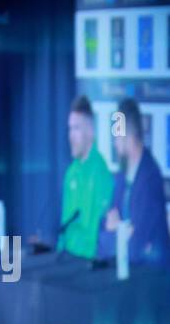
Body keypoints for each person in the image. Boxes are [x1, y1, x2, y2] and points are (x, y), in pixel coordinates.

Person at [99, 97, 170, 266]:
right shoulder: (121, 177)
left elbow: (136, 248)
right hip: (127, 274)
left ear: (128, 137)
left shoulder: (150, 178)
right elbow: (102, 236)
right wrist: (121, 230)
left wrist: (116, 230)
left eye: (116, 137)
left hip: (152, 278)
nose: (114, 143)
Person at [57, 95, 114, 260]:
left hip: (87, 264)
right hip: (66, 259)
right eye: (69, 129)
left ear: (90, 131)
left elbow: (98, 234)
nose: (71, 136)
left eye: (76, 128)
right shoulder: (70, 173)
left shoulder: (101, 173)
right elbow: (64, 225)